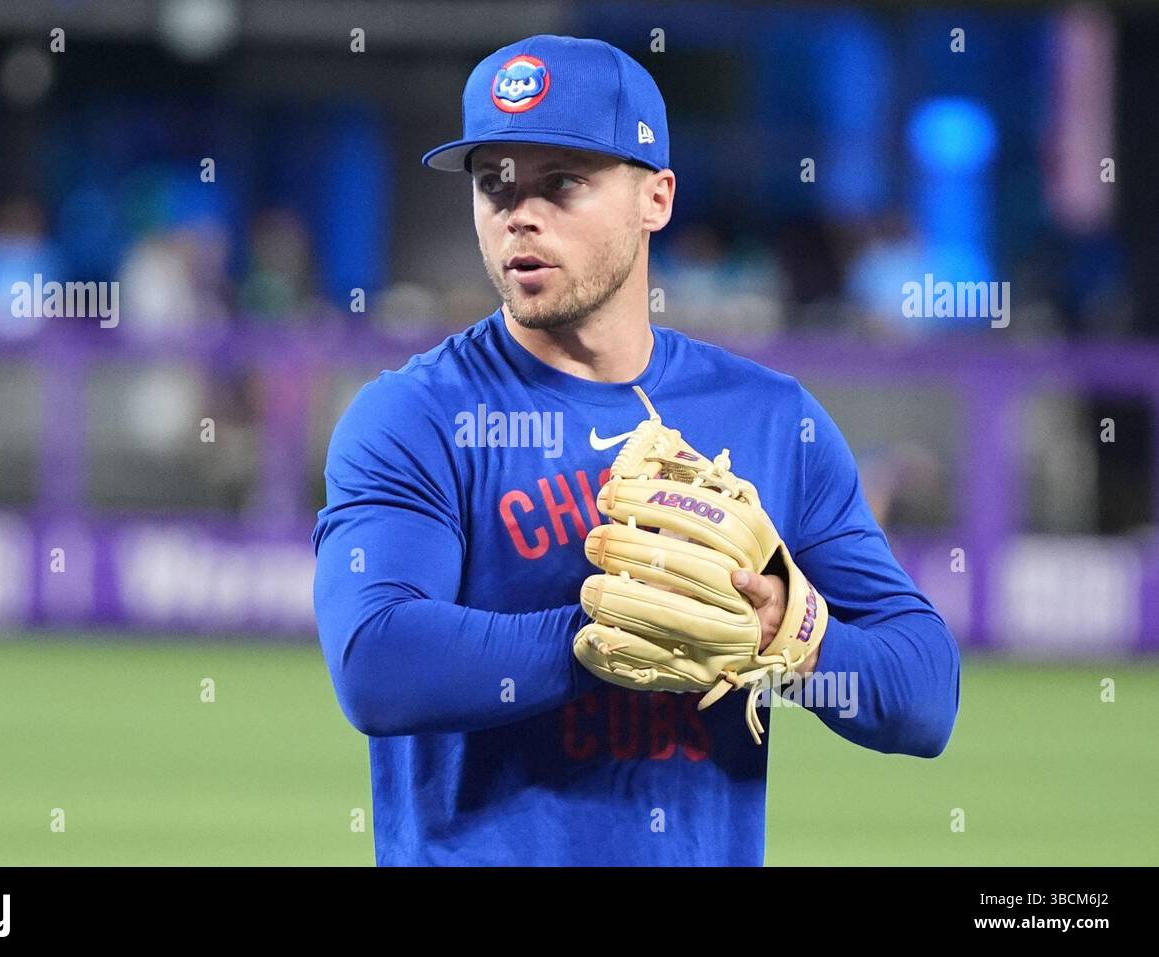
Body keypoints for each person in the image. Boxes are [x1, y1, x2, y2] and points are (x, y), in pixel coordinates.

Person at [312, 35, 959, 866]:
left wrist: (789, 634)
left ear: (656, 198)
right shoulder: (414, 415)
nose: (520, 213)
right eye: (493, 184)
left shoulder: (770, 418)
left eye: (563, 183)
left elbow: (924, 695)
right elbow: (375, 660)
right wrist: (606, 632)